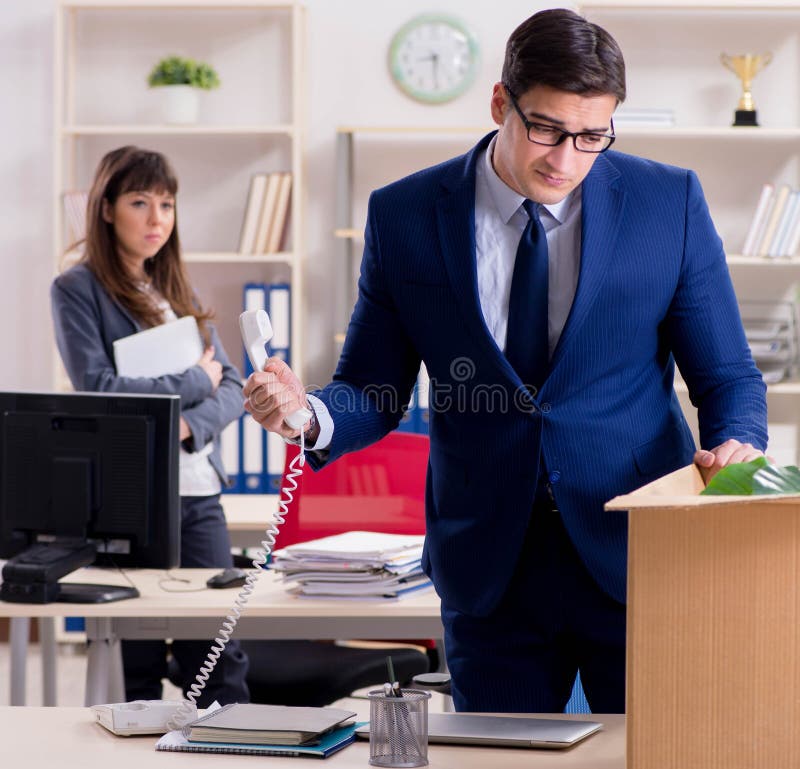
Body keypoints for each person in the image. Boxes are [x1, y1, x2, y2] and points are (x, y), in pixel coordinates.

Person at [243, 9, 767, 713]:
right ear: (499, 104)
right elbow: (371, 388)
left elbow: (727, 376)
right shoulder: (404, 216)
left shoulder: (666, 202)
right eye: (546, 128)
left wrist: (739, 446)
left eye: (592, 136)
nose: (565, 159)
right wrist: (306, 413)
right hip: (489, 565)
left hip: (636, 551)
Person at [51, 145, 249, 706]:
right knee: (131, 663)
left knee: (216, 659)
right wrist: (190, 384)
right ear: (107, 208)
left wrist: (187, 429)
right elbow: (99, 390)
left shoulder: (178, 290)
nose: (157, 218)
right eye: (141, 202)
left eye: (167, 204)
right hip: (127, 498)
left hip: (198, 494)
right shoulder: (76, 289)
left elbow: (232, 386)